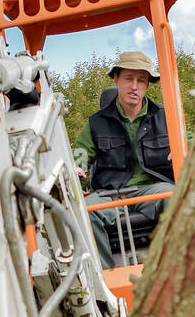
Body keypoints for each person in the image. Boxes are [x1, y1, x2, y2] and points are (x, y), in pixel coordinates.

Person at [73, 51, 174, 268]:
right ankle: (106, 282)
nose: (134, 86)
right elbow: (80, 153)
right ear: (116, 79)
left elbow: (189, 142)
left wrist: (185, 151)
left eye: (141, 80)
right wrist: (77, 167)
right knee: (83, 213)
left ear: (147, 85)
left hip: (152, 191)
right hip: (110, 195)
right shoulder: (95, 123)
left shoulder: (166, 116)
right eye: (128, 79)